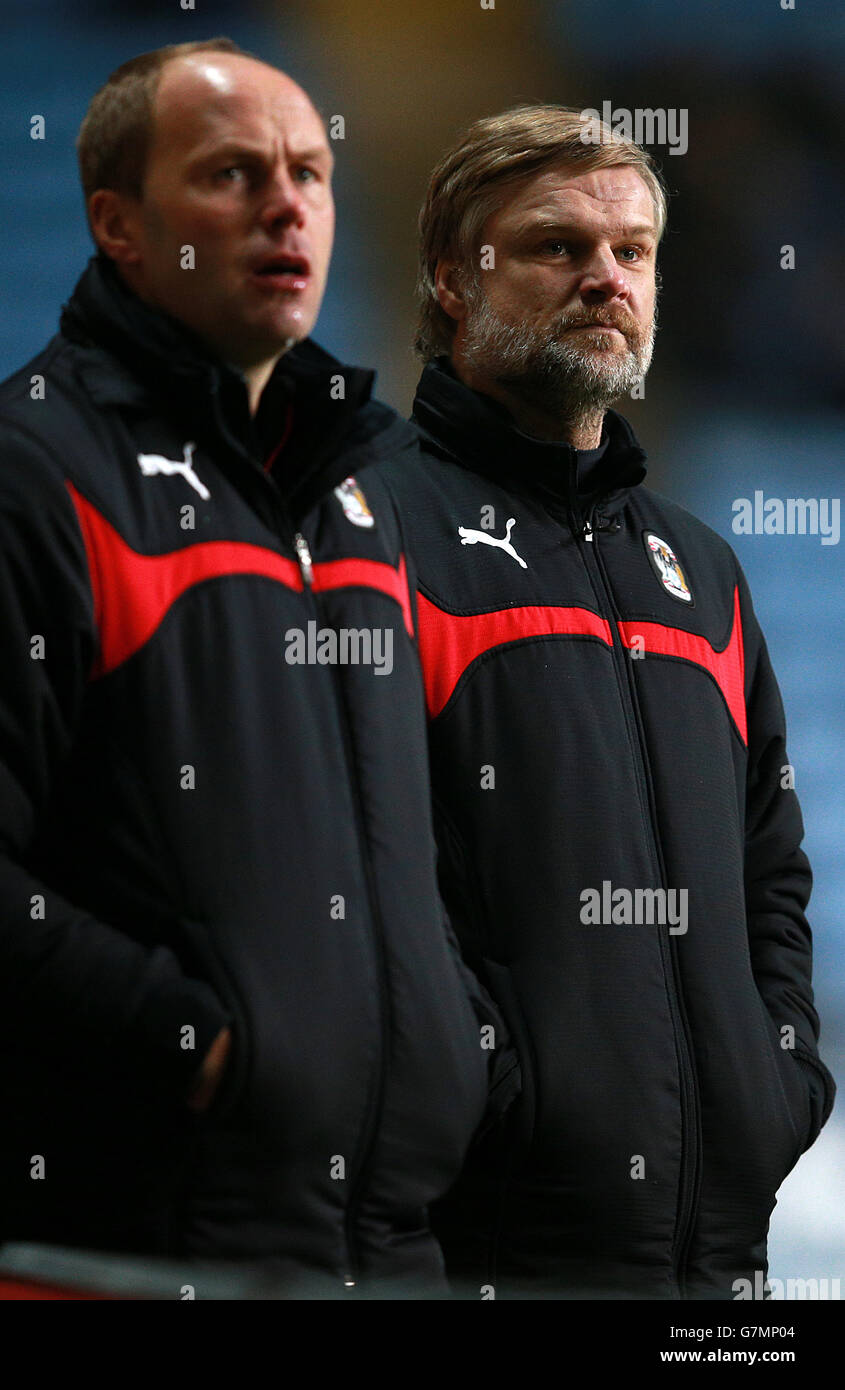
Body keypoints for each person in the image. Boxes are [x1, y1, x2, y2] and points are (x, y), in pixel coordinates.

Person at [0, 40, 517, 1300]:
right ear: (119, 225)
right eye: (231, 173)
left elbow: (427, 863)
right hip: (99, 1261)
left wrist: (457, 1049)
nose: (286, 204)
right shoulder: (2, 483)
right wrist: (191, 1039)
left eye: (309, 172)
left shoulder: (373, 509)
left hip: (380, 1265)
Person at [373, 105, 836, 1299]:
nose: (602, 277)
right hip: (493, 1251)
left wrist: (775, 1077)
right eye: (553, 247)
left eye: (630, 251)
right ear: (449, 278)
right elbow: (349, 875)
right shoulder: (368, 536)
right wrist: (493, 1088)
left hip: (721, 1263)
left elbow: (767, 871)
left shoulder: (699, 569)